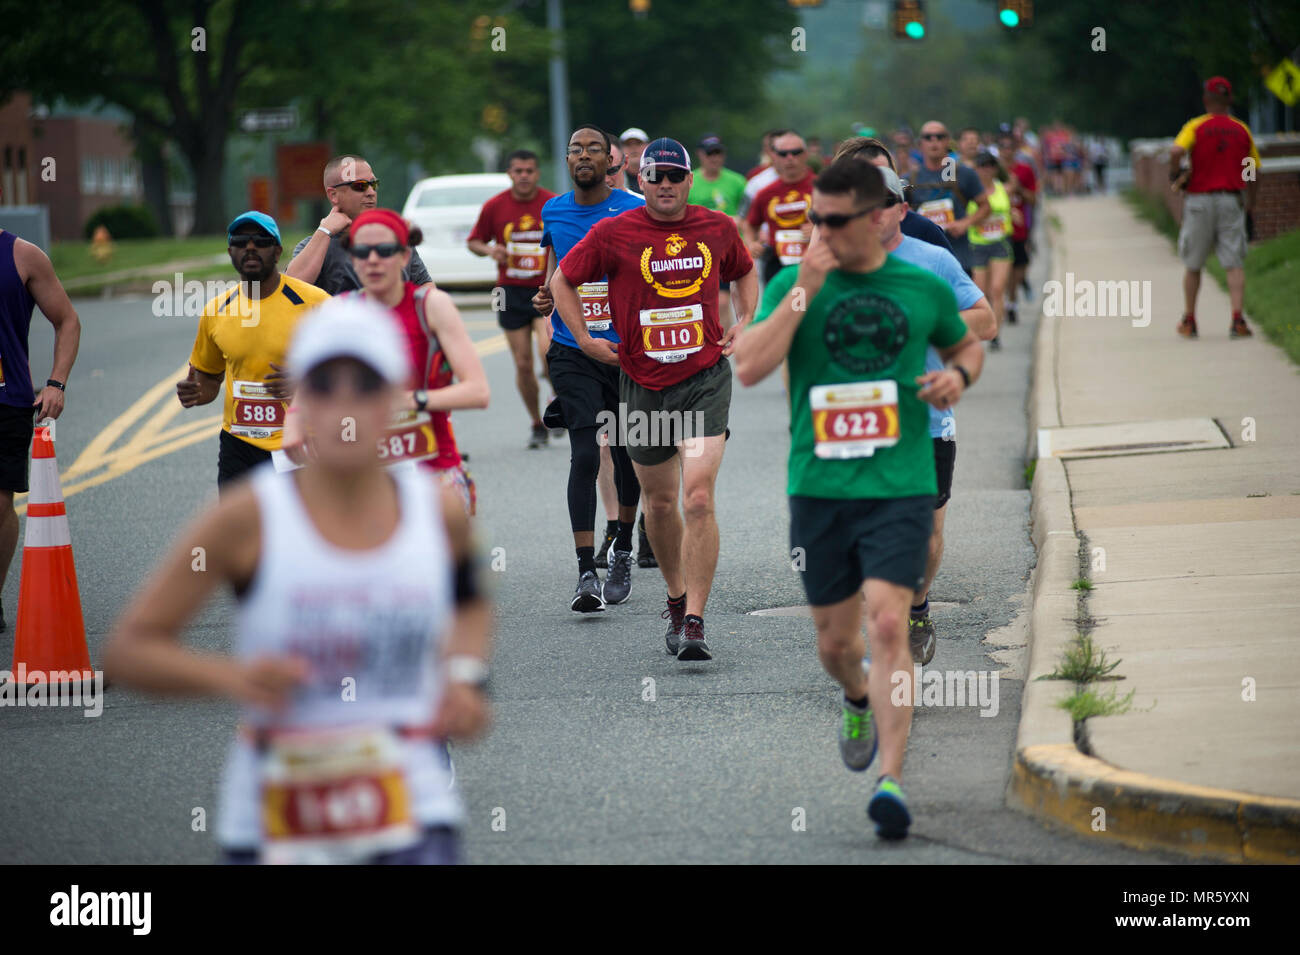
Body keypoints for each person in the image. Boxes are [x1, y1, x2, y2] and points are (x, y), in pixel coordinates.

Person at [106, 296, 492, 865]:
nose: (344, 406)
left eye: (364, 386)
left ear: (392, 401)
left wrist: (462, 678)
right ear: (299, 400)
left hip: (411, 814)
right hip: (277, 827)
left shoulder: (437, 512)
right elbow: (129, 650)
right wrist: (232, 676)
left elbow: (470, 605)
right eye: (322, 385)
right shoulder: (248, 519)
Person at [734, 158, 984, 840]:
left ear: (876, 217)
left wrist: (958, 376)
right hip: (820, 489)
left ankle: (893, 780)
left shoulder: (919, 281)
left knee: (886, 625)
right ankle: (854, 695)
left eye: (833, 221)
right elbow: (750, 367)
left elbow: (968, 343)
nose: (819, 231)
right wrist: (802, 291)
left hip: (899, 484)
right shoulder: (794, 281)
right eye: (814, 218)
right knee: (837, 641)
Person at [550, 137, 757, 661]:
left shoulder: (717, 226)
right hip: (643, 386)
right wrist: (589, 339)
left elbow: (746, 271)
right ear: (640, 181)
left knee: (699, 497)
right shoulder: (614, 231)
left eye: (674, 175)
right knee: (661, 503)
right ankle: (674, 596)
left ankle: (695, 621)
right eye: (655, 176)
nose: (665, 184)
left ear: (690, 180)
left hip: (704, 379)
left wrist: (746, 320)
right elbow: (561, 281)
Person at [533, 125, 646, 611]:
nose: (583, 155)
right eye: (576, 149)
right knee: (584, 454)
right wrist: (545, 292)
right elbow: (556, 268)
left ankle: (622, 546)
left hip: (625, 352)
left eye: (594, 149)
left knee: (625, 453)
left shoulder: (633, 208)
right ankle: (585, 572)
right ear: (567, 159)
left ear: (611, 161)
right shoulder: (553, 210)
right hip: (571, 348)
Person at [333, 209, 489, 513]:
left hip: (433, 475)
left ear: (405, 256)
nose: (373, 259)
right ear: (352, 258)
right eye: (363, 252)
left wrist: (411, 400)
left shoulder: (431, 306)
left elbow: (478, 392)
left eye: (386, 250)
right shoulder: (339, 312)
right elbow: (308, 395)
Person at [178, 211, 329, 489]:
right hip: (239, 446)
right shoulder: (216, 311)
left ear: (277, 251)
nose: (250, 247)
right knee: (240, 531)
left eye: (261, 241)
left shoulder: (316, 304)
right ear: (230, 251)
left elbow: (353, 375)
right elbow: (209, 380)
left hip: (301, 441)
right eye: (240, 241)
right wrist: (197, 393)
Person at [0, 202, 81, 631]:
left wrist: (56, 382)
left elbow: (67, 320)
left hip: (6, 399)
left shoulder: (23, 256)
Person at [467, 149, 556, 448]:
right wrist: (491, 250)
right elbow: (474, 241)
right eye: (518, 171)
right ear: (509, 173)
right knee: (521, 362)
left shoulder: (551, 203)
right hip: (506, 291)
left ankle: (557, 397)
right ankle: (536, 422)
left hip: (546, 288)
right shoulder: (495, 206)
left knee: (548, 355)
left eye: (529, 170)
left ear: (537, 173)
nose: (524, 176)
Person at [1171, 76, 1258, 340]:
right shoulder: (1242, 130)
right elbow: (1252, 169)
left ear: (1206, 100)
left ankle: (1190, 320)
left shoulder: (1196, 127)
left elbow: (1176, 152)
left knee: (1193, 263)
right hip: (1230, 199)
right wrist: (1250, 201)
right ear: (1230, 100)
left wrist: (1175, 175)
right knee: (1234, 263)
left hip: (1199, 200)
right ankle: (1237, 319)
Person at [286, 155, 432, 294]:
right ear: (333, 195)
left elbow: (425, 287)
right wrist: (324, 231)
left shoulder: (396, 237)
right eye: (360, 186)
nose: (371, 192)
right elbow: (291, 290)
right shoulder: (315, 244)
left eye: (373, 184)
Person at [911, 121, 989, 276]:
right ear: (920, 144)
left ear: (948, 141)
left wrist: (964, 223)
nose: (934, 141)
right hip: (924, 263)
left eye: (939, 137)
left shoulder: (964, 173)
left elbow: (986, 206)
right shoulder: (910, 179)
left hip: (959, 259)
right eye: (928, 137)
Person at [743, 130, 815, 282]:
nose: (790, 158)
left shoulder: (822, 187)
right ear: (773, 156)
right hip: (777, 264)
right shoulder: (765, 193)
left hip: (813, 261)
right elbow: (749, 224)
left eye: (796, 152)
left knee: (804, 305)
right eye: (784, 154)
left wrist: (818, 229)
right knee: (778, 306)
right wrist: (752, 244)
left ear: (806, 154)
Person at [966, 152, 1013, 349]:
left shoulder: (1004, 189)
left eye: (990, 165)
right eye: (982, 166)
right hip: (978, 245)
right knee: (980, 293)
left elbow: (1006, 210)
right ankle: (980, 331)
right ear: (976, 169)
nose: (986, 169)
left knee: (997, 290)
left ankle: (996, 334)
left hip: (1000, 243)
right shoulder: (969, 192)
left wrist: (1013, 214)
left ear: (995, 168)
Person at [998, 129, 1037, 326]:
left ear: (1015, 149)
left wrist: (1018, 188)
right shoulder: (992, 172)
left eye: (1009, 147)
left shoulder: (1024, 170)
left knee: (1019, 270)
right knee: (1005, 271)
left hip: (1021, 227)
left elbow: (1033, 198)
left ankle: (1014, 296)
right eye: (1002, 147)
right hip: (999, 229)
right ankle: (1010, 304)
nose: (1006, 151)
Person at [619, 128, 649, 196]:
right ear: (620, 149)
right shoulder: (613, 179)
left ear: (647, 146)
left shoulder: (658, 175)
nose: (633, 147)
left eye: (638, 143)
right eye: (628, 144)